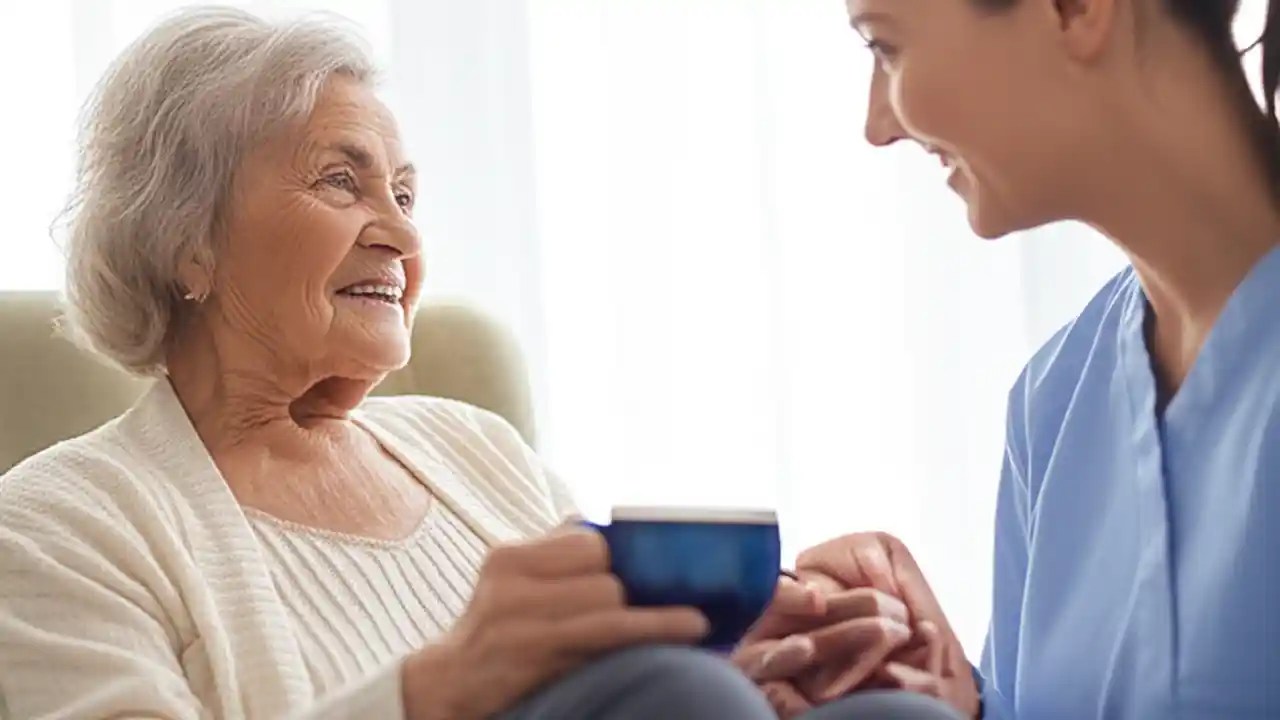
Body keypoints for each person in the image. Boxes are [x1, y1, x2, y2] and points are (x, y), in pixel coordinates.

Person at [0, 6, 962, 719]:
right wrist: (438, 690)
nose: (401, 235)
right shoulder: (57, 528)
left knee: (889, 712)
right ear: (186, 242)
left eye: (405, 195)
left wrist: (746, 661)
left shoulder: (476, 449)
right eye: (340, 180)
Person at [734, 0, 1280, 717]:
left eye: (886, 47)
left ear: (1075, 10)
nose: (878, 125)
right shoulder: (1054, 403)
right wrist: (946, 702)